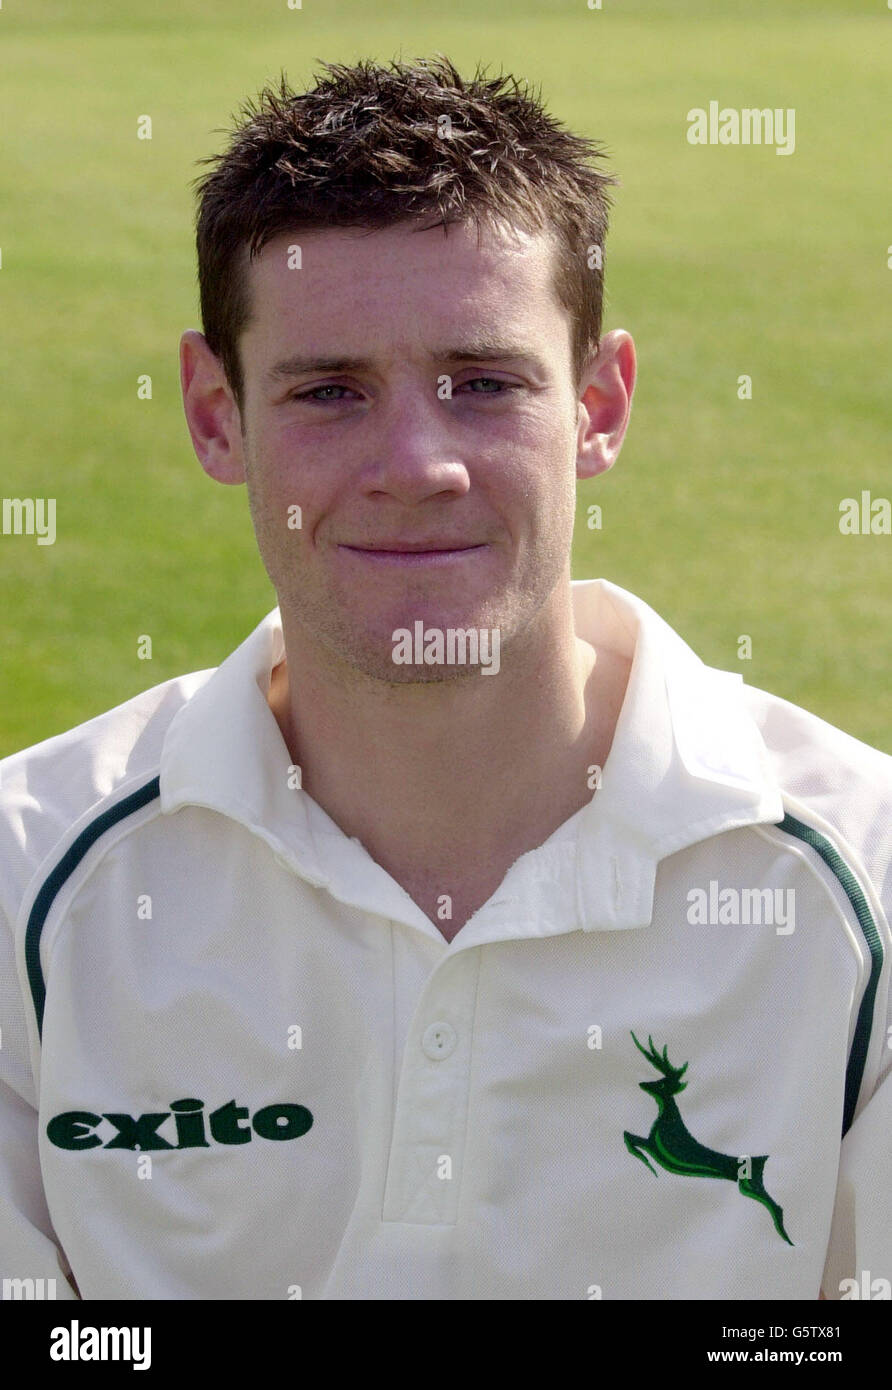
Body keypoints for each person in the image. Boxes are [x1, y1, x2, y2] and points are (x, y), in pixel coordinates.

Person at [0, 55, 889, 1303]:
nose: (416, 464)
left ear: (597, 402)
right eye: (329, 391)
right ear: (214, 413)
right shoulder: (24, 880)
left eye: (482, 383)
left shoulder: (866, 888)